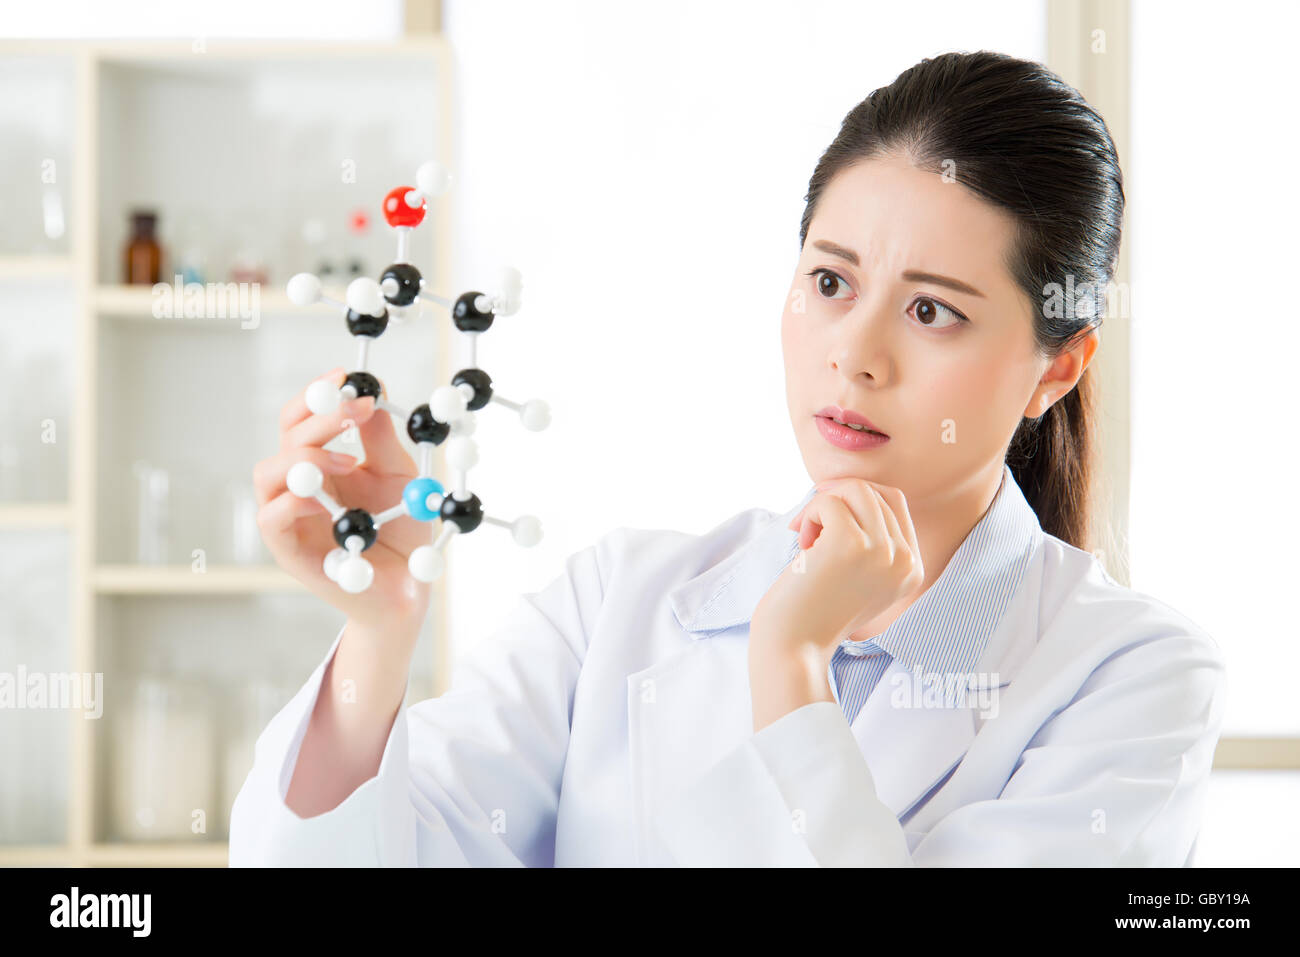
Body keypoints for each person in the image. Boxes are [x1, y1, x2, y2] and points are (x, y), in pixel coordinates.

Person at [230, 50, 1225, 866]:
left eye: (932, 311)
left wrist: (790, 662)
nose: (855, 354)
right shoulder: (618, 604)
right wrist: (377, 632)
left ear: (1057, 368)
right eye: (830, 281)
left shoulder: (1131, 677)